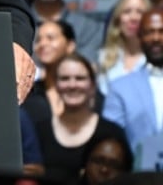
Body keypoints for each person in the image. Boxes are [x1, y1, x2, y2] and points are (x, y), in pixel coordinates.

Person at [34, 53, 128, 183]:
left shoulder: (112, 133)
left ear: (93, 85)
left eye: (80, 78)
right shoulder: (39, 131)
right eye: (65, 78)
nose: (72, 85)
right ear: (56, 85)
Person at [102, 7, 163, 154]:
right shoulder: (120, 87)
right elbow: (111, 138)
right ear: (139, 37)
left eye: (162, 31)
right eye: (149, 32)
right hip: (139, 173)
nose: (156, 38)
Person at [97, 0, 151, 94]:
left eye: (140, 12)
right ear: (118, 19)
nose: (133, 18)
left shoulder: (157, 60)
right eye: (127, 12)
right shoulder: (104, 58)